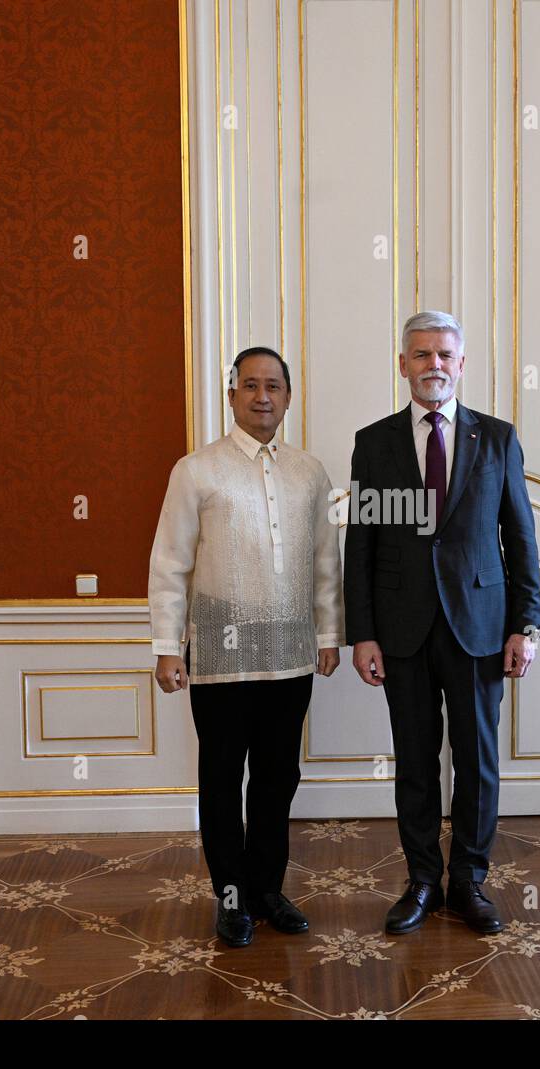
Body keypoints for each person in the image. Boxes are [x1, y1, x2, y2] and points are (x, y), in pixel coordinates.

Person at [344, 310, 540, 936]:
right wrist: (363, 631)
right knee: (415, 760)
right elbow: (362, 543)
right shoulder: (373, 443)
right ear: (403, 364)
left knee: (479, 760)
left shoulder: (499, 439)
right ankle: (423, 880)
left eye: (445, 355)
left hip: (481, 627)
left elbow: (521, 538)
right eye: (422, 354)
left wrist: (525, 624)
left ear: (462, 364)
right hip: (401, 631)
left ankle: (469, 882)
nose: (434, 365)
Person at [149, 346, 343, 947]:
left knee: (277, 777)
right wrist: (166, 644)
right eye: (251, 385)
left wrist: (329, 633)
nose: (263, 397)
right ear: (231, 394)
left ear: (288, 396)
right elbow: (171, 562)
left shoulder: (310, 472)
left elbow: (324, 562)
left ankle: (267, 888)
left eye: (275, 386)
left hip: (289, 654)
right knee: (223, 775)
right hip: (218, 655)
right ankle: (230, 896)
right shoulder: (196, 470)